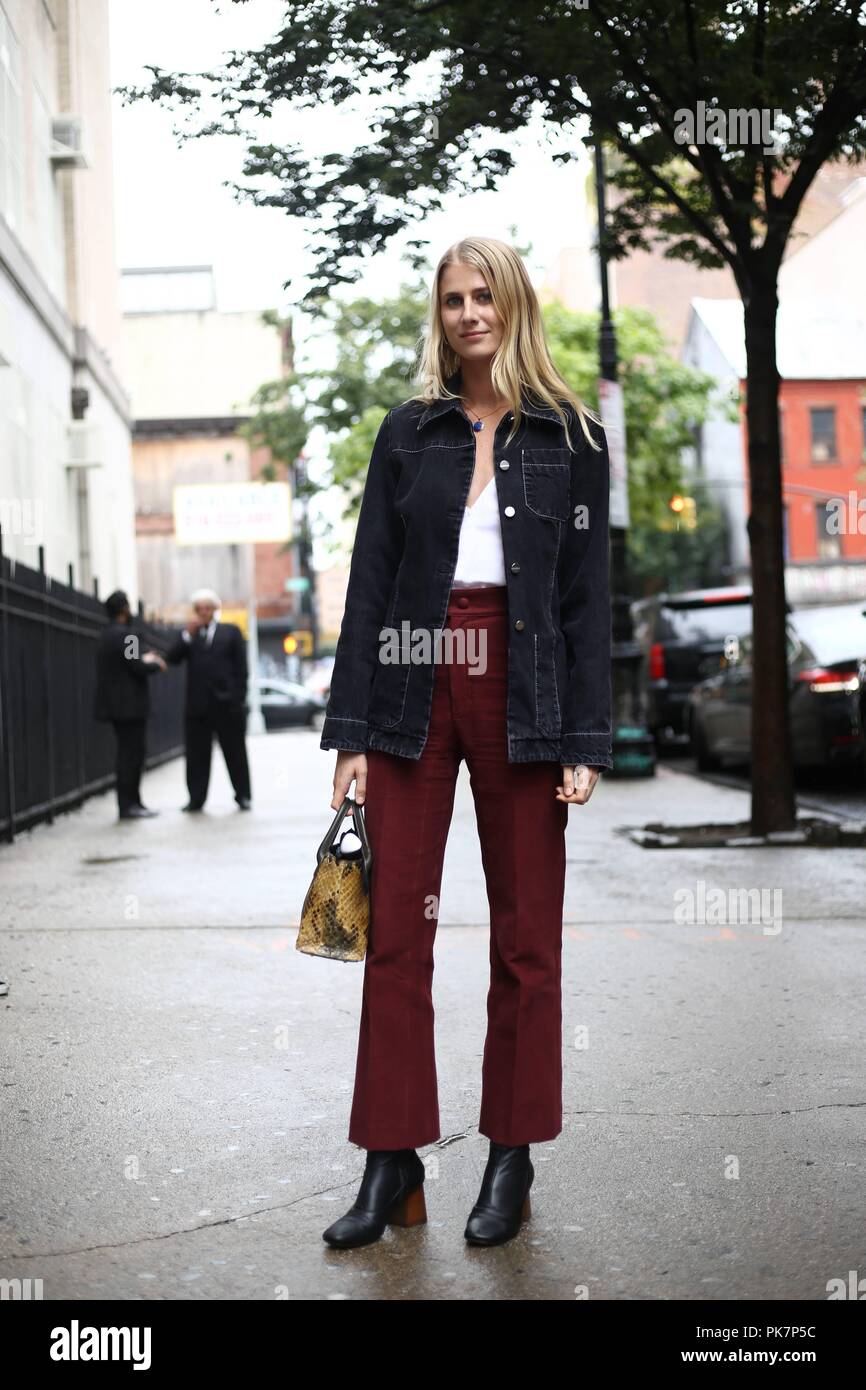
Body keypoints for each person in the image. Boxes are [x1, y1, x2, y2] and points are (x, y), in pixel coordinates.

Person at [317, 236, 613, 1250]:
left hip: (521, 680)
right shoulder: (407, 434)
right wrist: (349, 734)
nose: (468, 313)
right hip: (411, 671)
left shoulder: (570, 435)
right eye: (451, 299)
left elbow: (583, 597)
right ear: (437, 316)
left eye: (483, 295)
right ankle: (389, 1158)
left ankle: (511, 1153)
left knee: (525, 936)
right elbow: (367, 583)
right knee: (392, 929)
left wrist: (582, 732)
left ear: (513, 305)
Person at [165, 589, 252, 812]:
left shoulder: (230, 632)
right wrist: (186, 636)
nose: (203, 612)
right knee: (196, 756)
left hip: (227, 706)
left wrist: (237, 699)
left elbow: (242, 669)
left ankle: (243, 795)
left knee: (235, 753)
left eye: (207, 608)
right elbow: (171, 658)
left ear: (215, 610)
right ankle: (196, 799)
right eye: (199, 609)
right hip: (198, 708)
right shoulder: (189, 636)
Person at [94, 590, 166, 821]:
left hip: (114, 706)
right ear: (124, 609)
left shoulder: (106, 635)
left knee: (127, 755)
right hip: (131, 707)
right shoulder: (129, 636)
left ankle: (131, 803)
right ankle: (130, 804)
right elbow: (136, 665)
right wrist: (155, 663)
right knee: (131, 756)